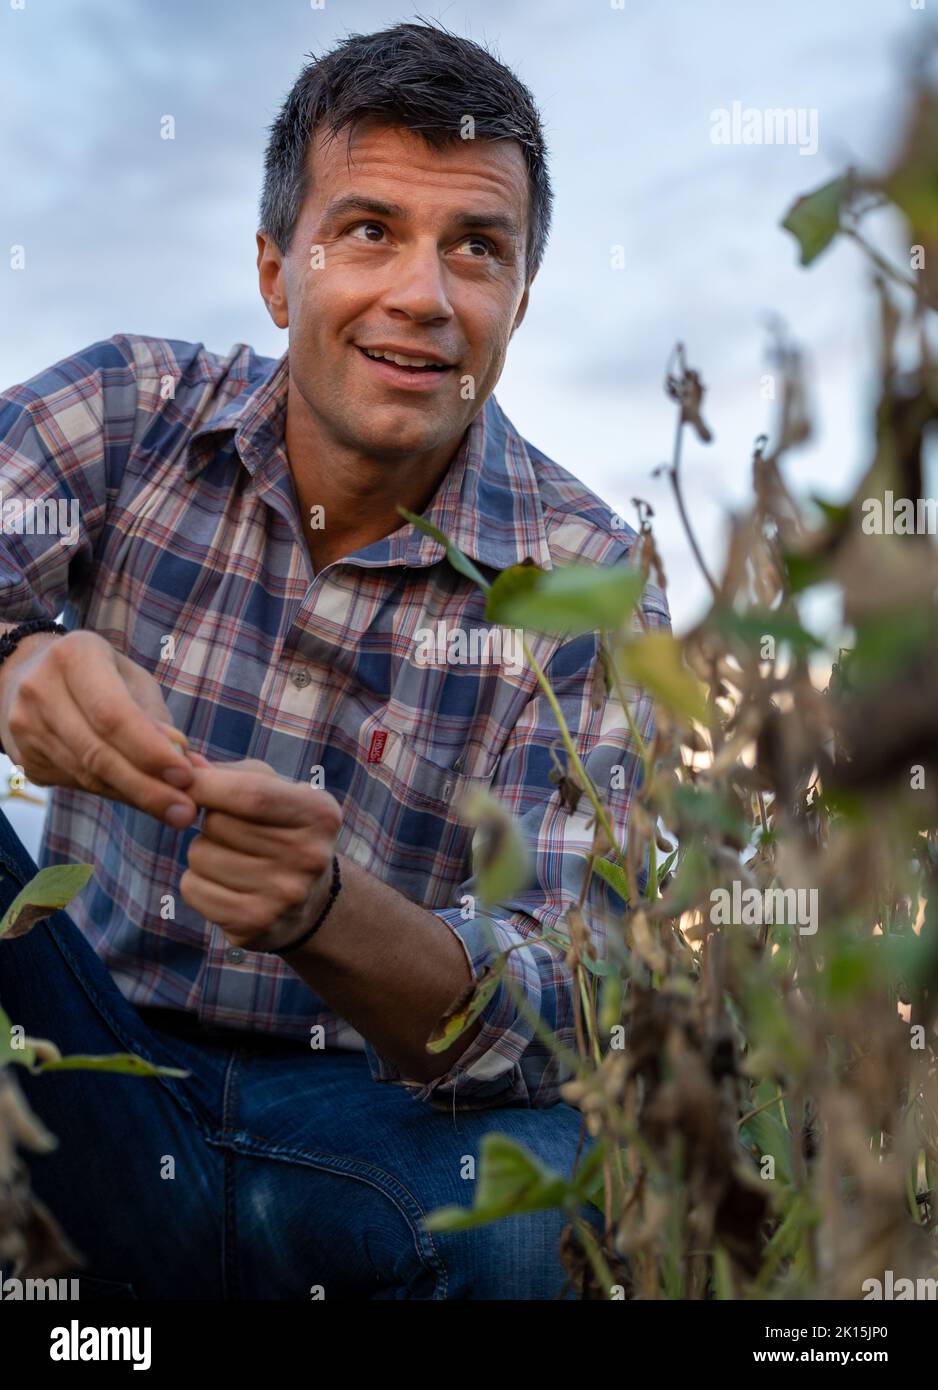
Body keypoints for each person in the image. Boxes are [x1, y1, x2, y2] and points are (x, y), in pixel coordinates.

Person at [0, 19, 669, 1300]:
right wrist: (17, 661)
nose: (422, 295)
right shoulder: (130, 408)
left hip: (369, 1115)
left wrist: (322, 910)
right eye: (368, 230)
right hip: (80, 1049)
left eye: (475, 248)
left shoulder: (583, 583)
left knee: (529, 1216)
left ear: (518, 300)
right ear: (273, 271)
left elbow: (573, 1003)